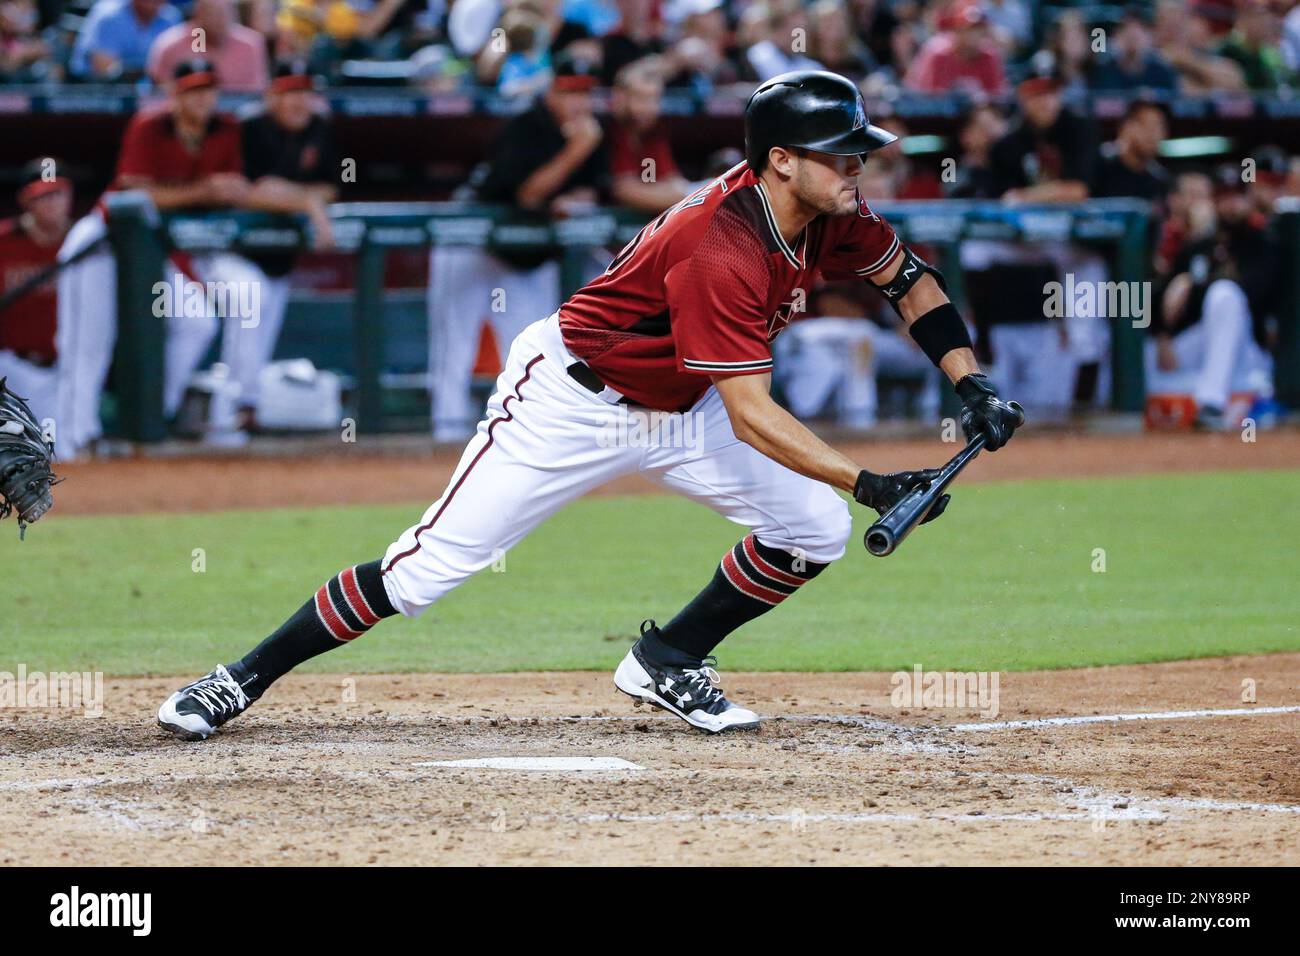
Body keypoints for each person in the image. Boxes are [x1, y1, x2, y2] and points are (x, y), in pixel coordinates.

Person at [157, 70, 1023, 741]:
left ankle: (668, 659)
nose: (857, 166)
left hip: (688, 406)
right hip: (573, 401)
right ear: (781, 161)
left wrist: (969, 380)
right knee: (424, 570)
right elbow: (756, 413)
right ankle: (236, 679)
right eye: (841, 153)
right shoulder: (722, 245)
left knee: (813, 529)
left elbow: (910, 282)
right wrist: (869, 480)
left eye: (858, 151)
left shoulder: (833, 209)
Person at [54, 60, 255, 457]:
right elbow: (132, 194)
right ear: (174, 95)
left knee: (197, 322)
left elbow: (232, 188)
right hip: (105, 241)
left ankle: (149, 420)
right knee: (88, 343)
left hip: (152, 249)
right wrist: (203, 190)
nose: (202, 98)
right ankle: (73, 441)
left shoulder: (227, 129)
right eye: (192, 90)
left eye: (208, 90)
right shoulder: (149, 125)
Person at [426, 53, 610, 442]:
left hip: (526, 256)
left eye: (585, 93)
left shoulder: (594, 132)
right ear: (551, 94)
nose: (578, 102)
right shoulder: (528, 126)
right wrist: (577, 149)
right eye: (569, 92)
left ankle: (506, 434)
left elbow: (594, 189)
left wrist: (578, 196)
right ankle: (445, 435)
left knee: (528, 349)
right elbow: (528, 195)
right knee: (454, 345)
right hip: (472, 242)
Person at [228, 63, 340, 430]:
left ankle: (242, 412)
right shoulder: (249, 127)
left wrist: (300, 198)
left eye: (305, 92)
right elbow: (254, 191)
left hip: (277, 256)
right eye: (290, 92)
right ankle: (233, 408)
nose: (299, 101)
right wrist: (309, 205)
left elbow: (331, 185)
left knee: (260, 327)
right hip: (225, 247)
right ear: (271, 96)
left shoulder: (319, 128)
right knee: (248, 302)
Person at [0, 160, 73, 428]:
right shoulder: (4, 241)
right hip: (11, 366)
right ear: (25, 200)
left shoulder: (86, 241)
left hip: (67, 370)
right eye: (43, 196)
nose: (53, 203)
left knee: (67, 453)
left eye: (58, 193)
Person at [607, 57, 692, 213]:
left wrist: (686, 192)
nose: (649, 108)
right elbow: (625, 191)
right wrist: (688, 197)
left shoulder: (649, 133)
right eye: (640, 97)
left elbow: (659, 179)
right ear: (619, 97)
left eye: (654, 99)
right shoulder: (610, 130)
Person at [147, 0, 270, 92]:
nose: (220, 19)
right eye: (213, 13)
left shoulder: (251, 44)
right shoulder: (170, 45)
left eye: (224, 12)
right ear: (197, 14)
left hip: (239, 119)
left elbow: (258, 93)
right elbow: (158, 92)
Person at [903, 0, 1006, 95]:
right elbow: (929, 96)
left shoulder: (989, 56)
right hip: (930, 109)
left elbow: (996, 95)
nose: (975, 34)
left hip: (975, 112)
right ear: (956, 31)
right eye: (970, 29)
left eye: (979, 29)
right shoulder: (939, 53)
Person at [69, 0, 182, 80]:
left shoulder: (171, 17)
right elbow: (103, 68)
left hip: (152, 94)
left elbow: (175, 66)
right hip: (94, 90)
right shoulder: (109, 14)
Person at [1092, 99, 1170, 204]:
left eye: (1159, 128)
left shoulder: (1159, 179)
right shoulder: (1099, 165)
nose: (1154, 135)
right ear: (1126, 127)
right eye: (1148, 126)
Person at [1089, 6, 1178, 92]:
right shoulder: (1103, 72)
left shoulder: (1162, 72)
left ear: (1150, 36)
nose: (1132, 35)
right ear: (1116, 36)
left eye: (1139, 30)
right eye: (1126, 29)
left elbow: (1171, 101)